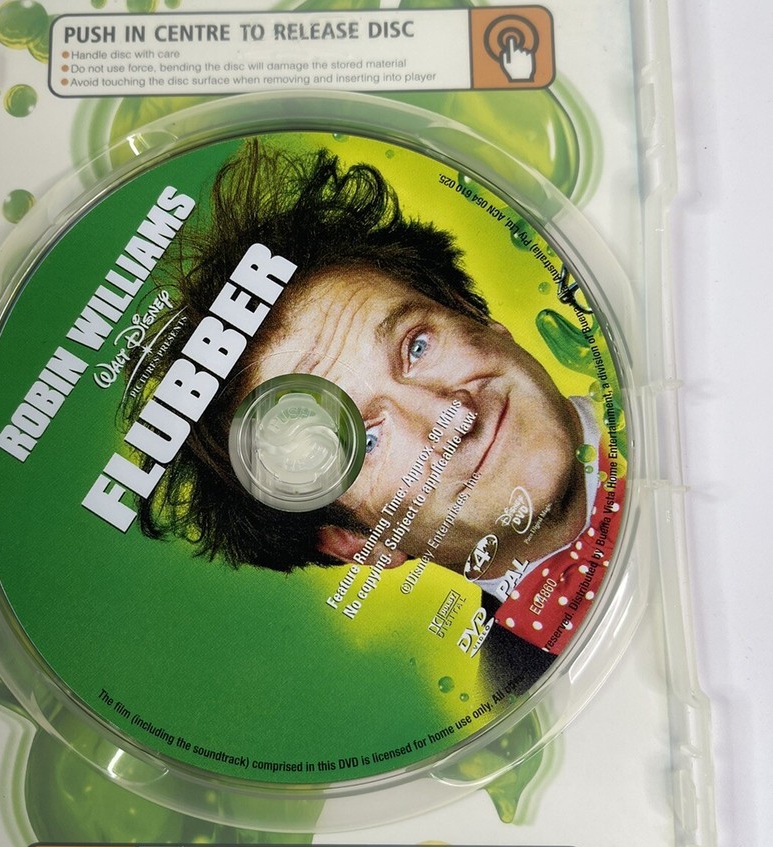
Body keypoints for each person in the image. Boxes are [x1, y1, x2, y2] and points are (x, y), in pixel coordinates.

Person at [124, 138, 624, 660]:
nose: (451, 416)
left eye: (417, 347)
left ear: (473, 315)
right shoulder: (511, 687)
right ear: (357, 542)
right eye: (364, 443)